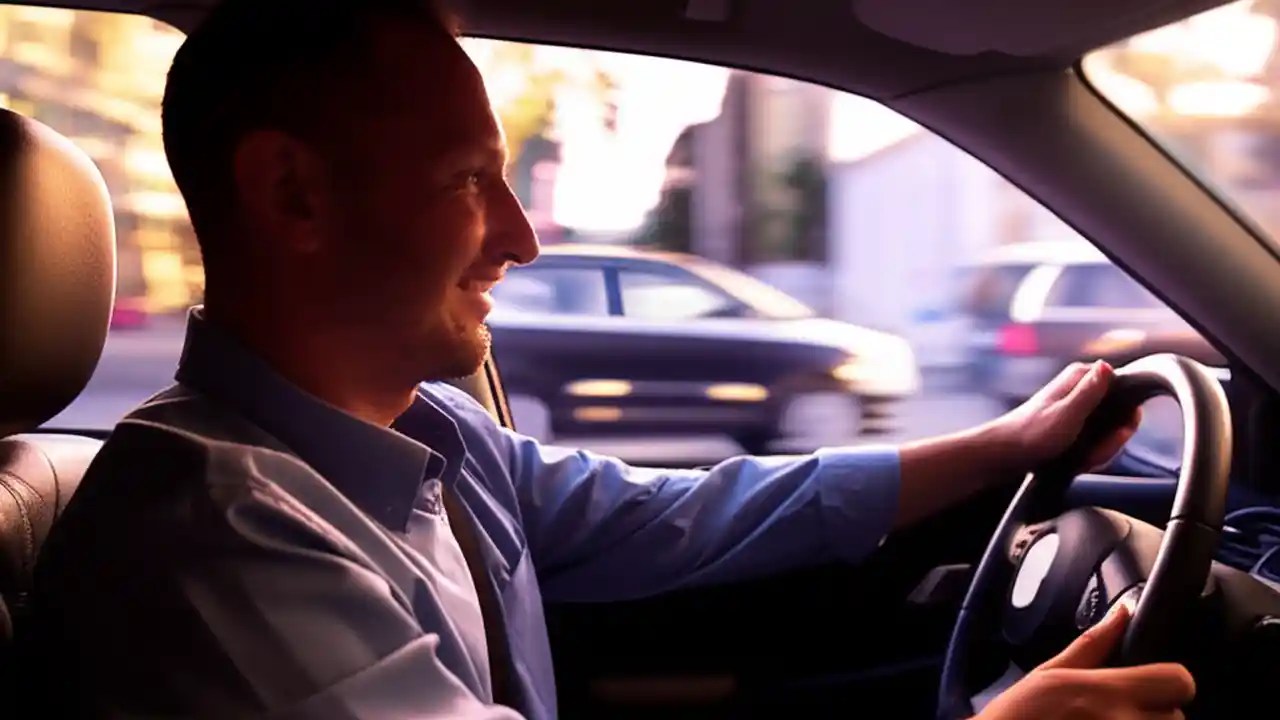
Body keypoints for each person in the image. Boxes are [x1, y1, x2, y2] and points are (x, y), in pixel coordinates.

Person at [27, 1, 1194, 718]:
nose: (520, 240)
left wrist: (1004, 446)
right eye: (467, 181)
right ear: (292, 194)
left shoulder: (427, 434)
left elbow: (685, 516)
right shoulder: (221, 542)